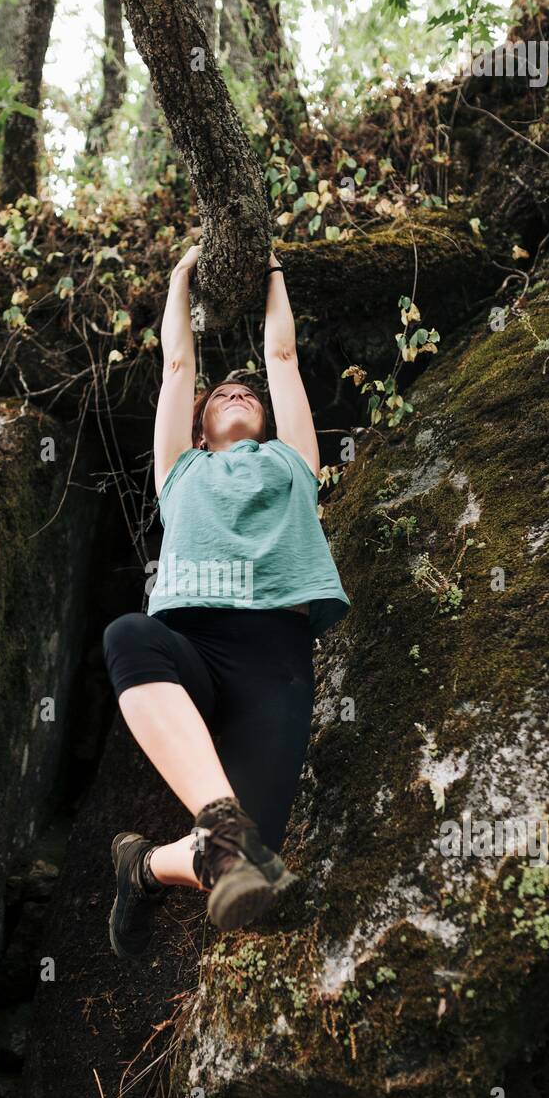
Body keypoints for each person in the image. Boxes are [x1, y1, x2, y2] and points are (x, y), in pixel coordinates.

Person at [102, 241, 351, 959]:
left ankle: (144, 866)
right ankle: (219, 825)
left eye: (247, 397)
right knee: (127, 636)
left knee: (255, 859)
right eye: (221, 398)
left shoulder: (295, 463)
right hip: (194, 651)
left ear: (268, 421)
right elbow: (177, 363)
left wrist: (272, 271)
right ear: (198, 426)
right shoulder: (177, 472)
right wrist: (180, 278)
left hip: (276, 659)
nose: (235, 395)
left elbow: (282, 358)